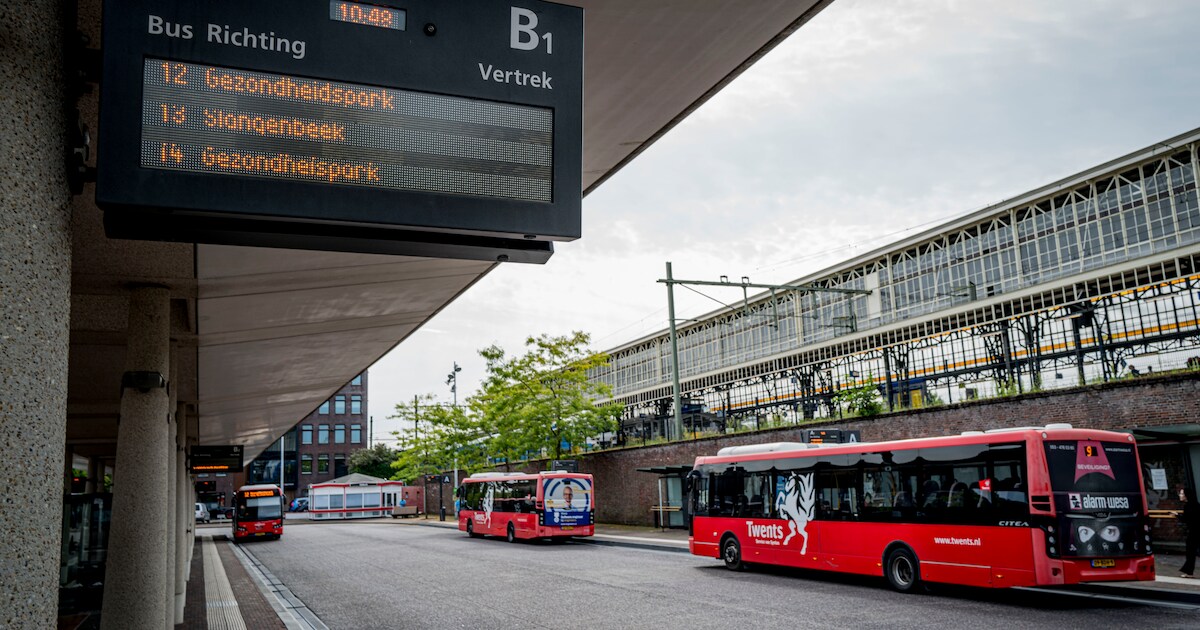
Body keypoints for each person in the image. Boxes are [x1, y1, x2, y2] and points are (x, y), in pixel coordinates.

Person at [1176, 487, 1199, 578]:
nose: (1180, 495)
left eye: (1182, 494)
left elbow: (1187, 520)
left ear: (1186, 496)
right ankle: (1188, 571)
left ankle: (1189, 572)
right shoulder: (1195, 504)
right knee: (1191, 552)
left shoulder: (1188, 506)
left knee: (1190, 552)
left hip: (1194, 532)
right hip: (1195, 531)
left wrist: (1177, 516)